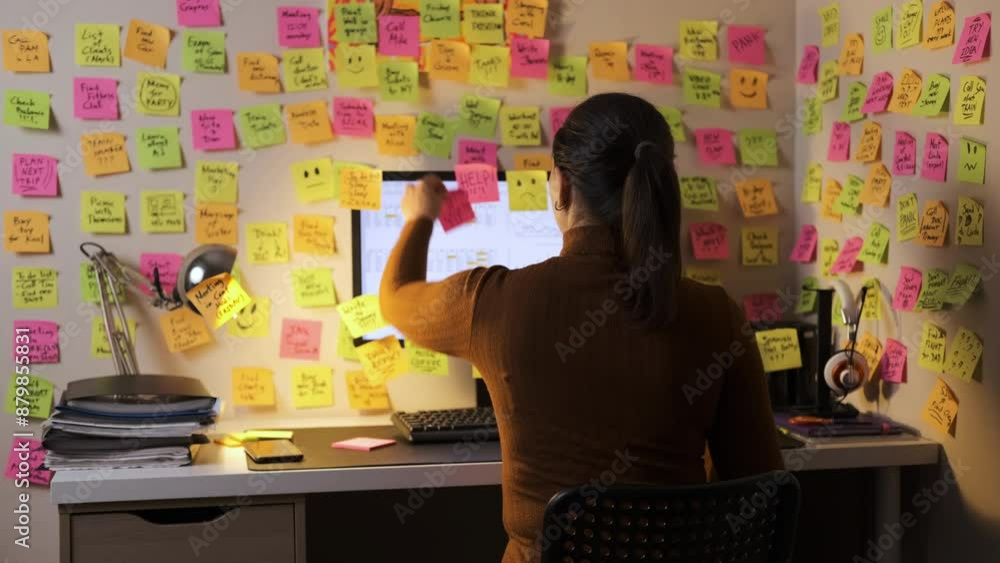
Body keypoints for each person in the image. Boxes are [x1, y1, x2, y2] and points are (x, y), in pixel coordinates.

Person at [379, 93, 783, 563]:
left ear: (562, 188)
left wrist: (420, 217)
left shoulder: (493, 303)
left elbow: (396, 295)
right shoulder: (717, 314)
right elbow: (760, 489)